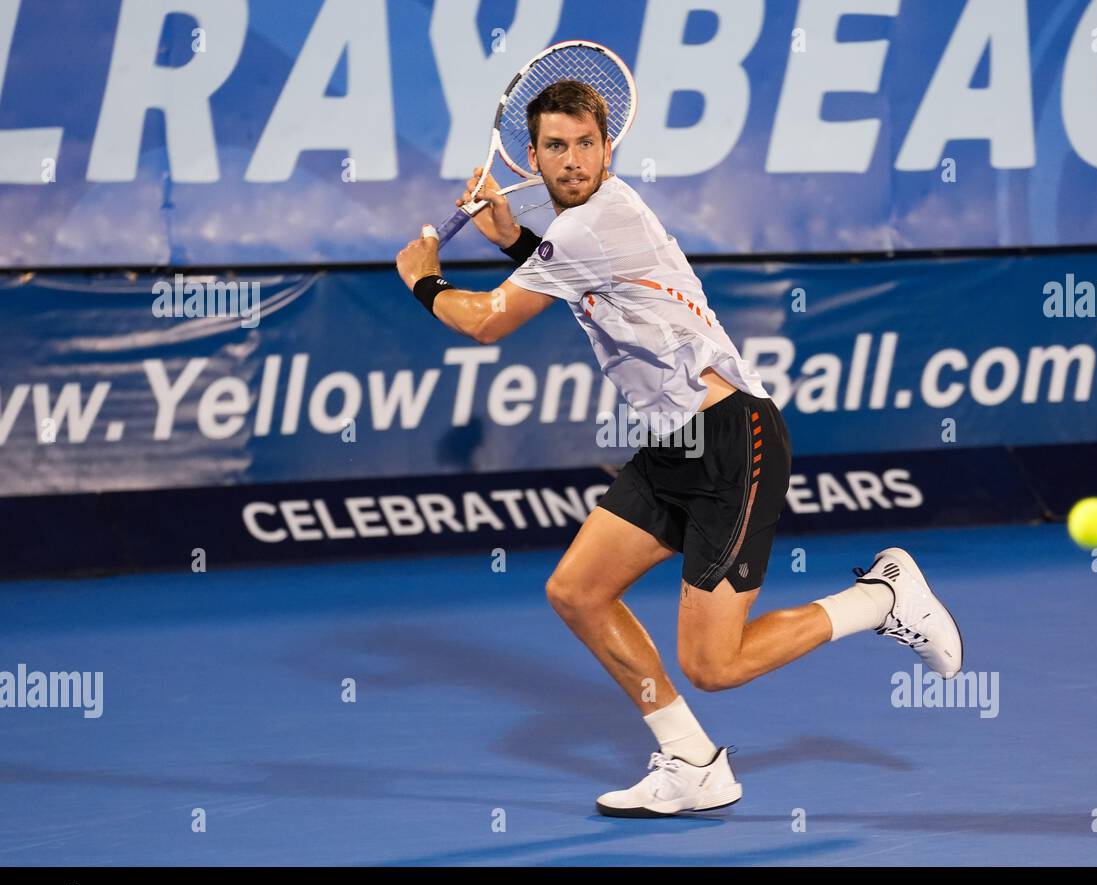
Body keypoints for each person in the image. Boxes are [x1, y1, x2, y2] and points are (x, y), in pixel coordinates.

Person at [396, 80, 963, 818]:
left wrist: (422, 278)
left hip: (733, 440)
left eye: (586, 144)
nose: (572, 160)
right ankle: (693, 762)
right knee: (578, 591)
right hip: (674, 444)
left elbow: (486, 324)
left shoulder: (599, 220)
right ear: (531, 157)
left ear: (608, 147)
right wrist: (512, 241)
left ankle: (881, 597)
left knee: (713, 665)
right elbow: (587, 284)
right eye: (556, 147)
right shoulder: (579, 235)